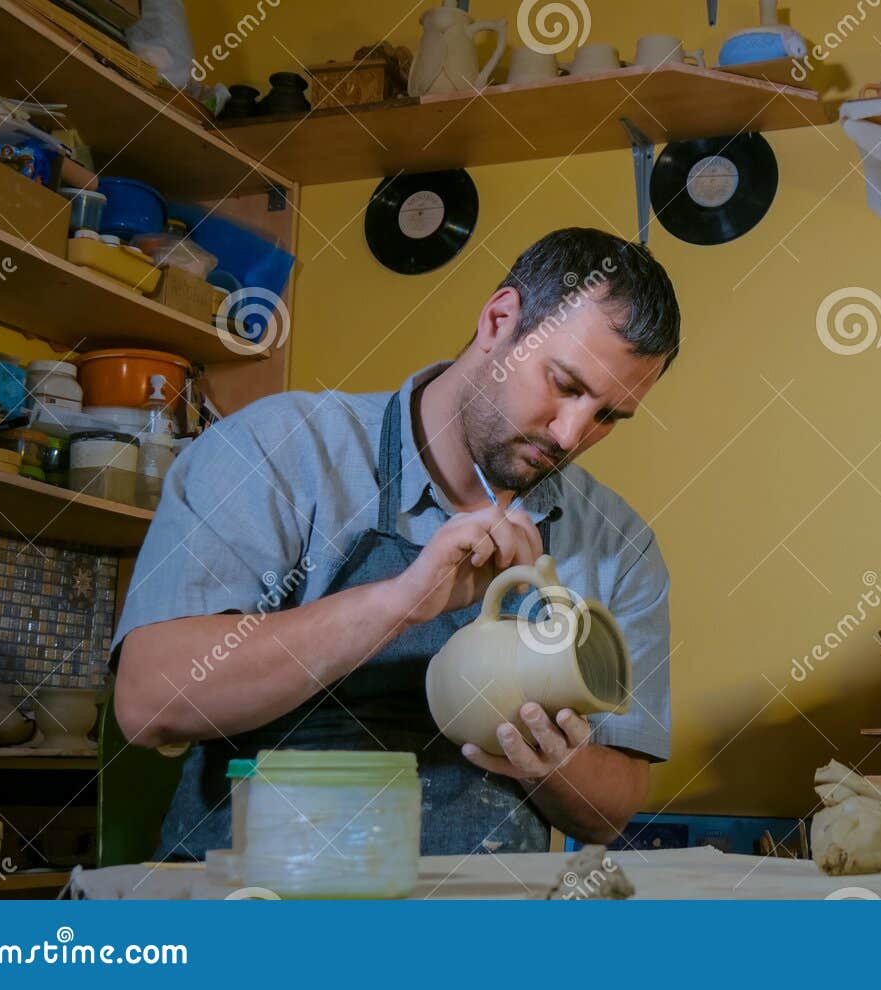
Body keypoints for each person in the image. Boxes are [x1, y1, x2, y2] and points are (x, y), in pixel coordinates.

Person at [112, 227, 680, 858]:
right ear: (499, 321)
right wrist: (399, 604)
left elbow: (612, 808)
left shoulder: (618, 545)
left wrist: (550, 765)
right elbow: (150, 699)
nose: (572, 433)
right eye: (565, 385)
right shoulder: (281, 450)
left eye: (607, 416)